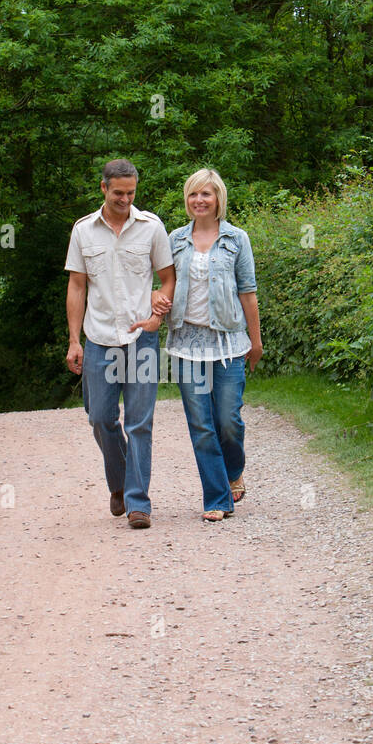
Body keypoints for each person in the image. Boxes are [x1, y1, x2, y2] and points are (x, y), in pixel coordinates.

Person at [65, 159, 175, 529]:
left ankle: (138, 502)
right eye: (118, 193)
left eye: (131, 193)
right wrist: (73, 341)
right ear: (103, 188)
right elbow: (77, 286)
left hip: (141, 338)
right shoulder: (83, 231)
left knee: (140, 423)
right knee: (100, 418)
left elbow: (167, 278)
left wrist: (159, 311)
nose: (125, 199)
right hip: (98, 340)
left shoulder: (151, 227)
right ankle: (120, 482)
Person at [156, 167, 262, 522]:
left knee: (228, 420)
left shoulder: (237, 239)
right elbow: (163, 284)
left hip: (229, 343)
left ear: (218, 199)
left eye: (206, 194)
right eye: (193, 194)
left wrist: (256, 340)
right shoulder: (174, 240)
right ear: (186, 200)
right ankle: (217, 499)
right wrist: (156, 301)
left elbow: (247, 291)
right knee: (201, 424)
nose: (199, 200)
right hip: (186, 344)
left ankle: (233, 471)